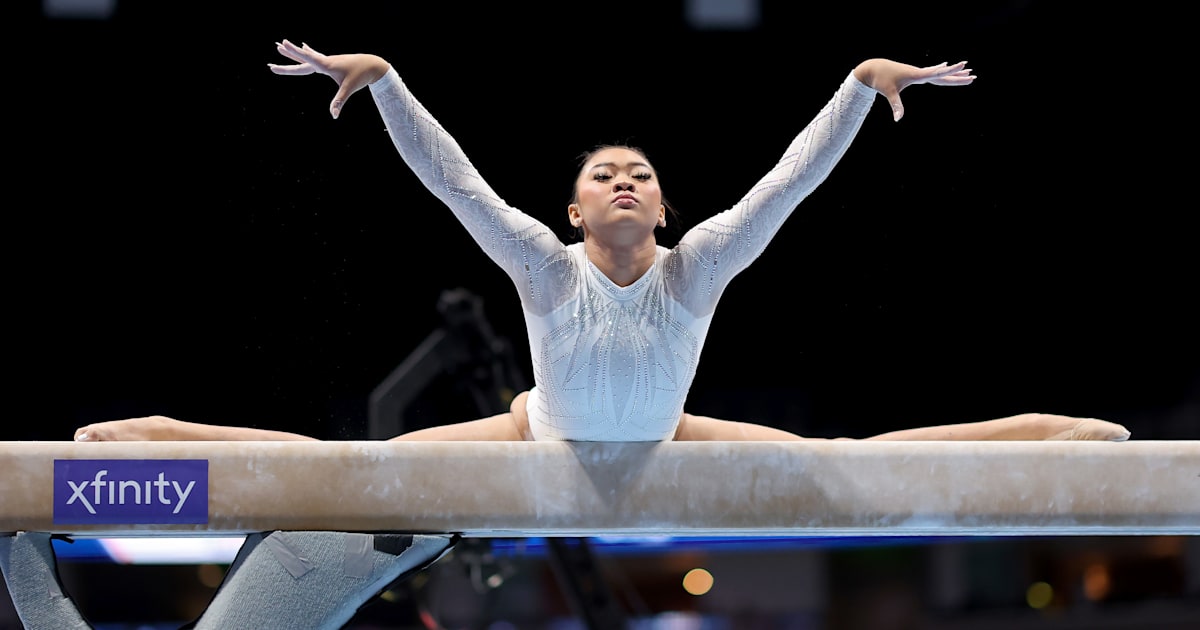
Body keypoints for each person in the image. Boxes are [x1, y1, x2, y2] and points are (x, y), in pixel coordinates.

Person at [73, 40, 1130, 444]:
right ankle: (160, 430)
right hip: (541, 438)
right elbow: (456, 185)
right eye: (601, 176)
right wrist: (390, 79)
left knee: (843, 464)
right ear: (575, 212)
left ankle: (1043, 428)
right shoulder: (542, 265)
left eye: (640, 175)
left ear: (662, 210)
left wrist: (860, 85)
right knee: (365, 472)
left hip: (667, 439)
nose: (624, 181)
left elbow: (789, 181)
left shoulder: (699, 265)